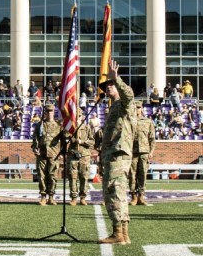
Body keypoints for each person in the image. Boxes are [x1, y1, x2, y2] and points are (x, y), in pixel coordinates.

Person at [97, 60, 135, 244]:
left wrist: (116, 78)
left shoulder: (123, 104)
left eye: (111, 85)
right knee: (116, 191)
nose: (108, 87)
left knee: (114, 190)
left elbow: (129, 95)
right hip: (111, 154)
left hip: (119, 154)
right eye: (107, 86)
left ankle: (118, 233)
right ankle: (123, 233)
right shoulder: (113, 107)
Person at [32, 102, 62, 205]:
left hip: (54, 154)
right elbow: (35, 138)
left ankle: (51, 197)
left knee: (52, 176)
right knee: (41, 176)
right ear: (44, 112)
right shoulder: (40, 125)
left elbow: (63, 139)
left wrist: (62, 151)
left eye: (51, 111)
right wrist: (35, 149)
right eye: (47, 111)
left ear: (54, 112)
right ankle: (43, 196)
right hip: (42, 154)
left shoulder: (58, 125)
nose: (49, 113)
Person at [65, 116, 96, 205]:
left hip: (84, 156)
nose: (77, 118)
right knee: (72, 177)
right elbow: (65, 135)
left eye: (78, 116)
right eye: (75, 116)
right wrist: (72, 130)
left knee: (84, 177)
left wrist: (82, 142)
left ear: (82, 117)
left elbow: (92, 142)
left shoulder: (87, 128)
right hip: (73, 155)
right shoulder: (70, 127)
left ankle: (83, 197)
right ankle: (73, 197)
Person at [130, 102, 155, 206]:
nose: (137, 110)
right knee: (132, 175)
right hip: (132, 152)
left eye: (139, 108)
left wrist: (151, 152)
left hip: (144, 152)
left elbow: (152, 139)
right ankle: (134, 196)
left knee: (143, 174)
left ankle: (141, 195)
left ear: (142, 109)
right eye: (135, 108)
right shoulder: (129, 121)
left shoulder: (148, 122)